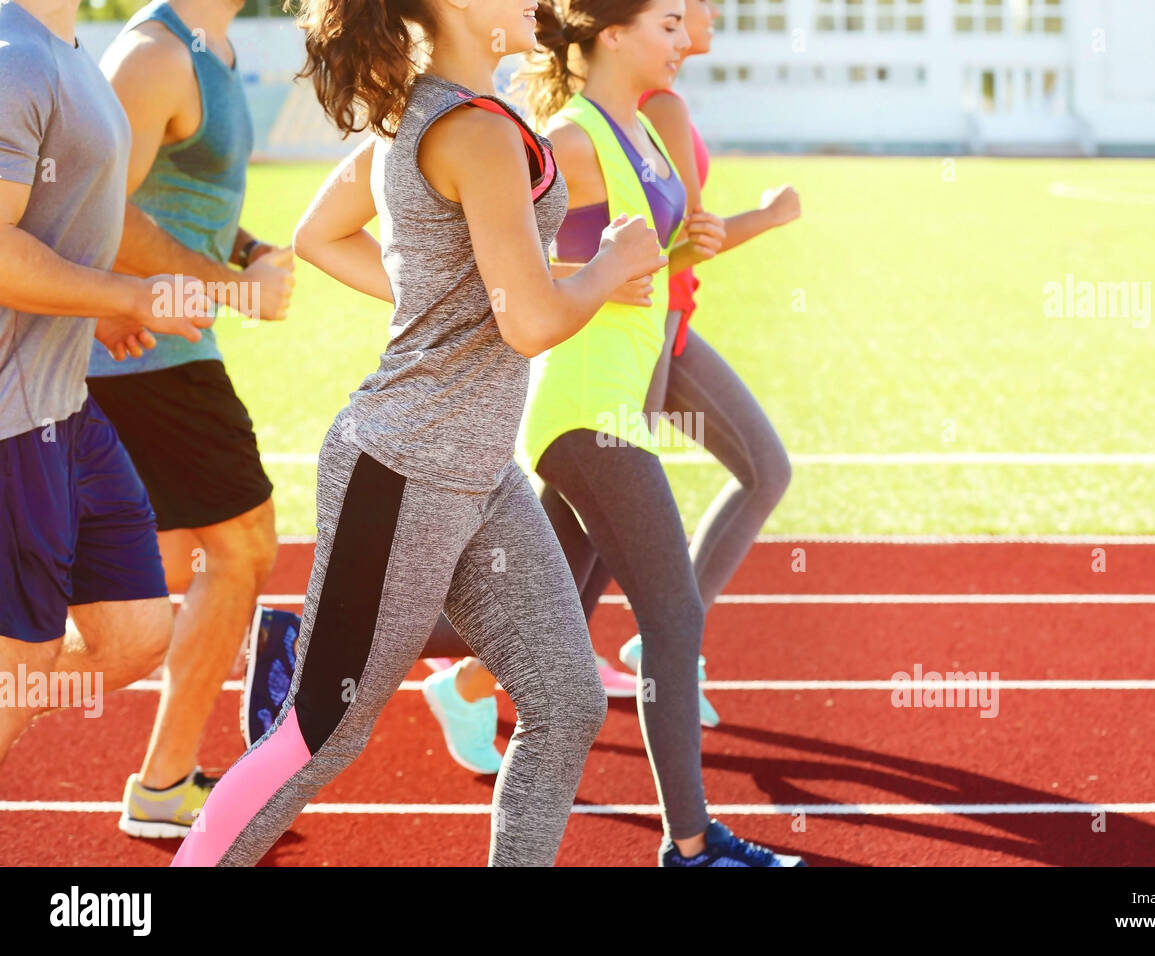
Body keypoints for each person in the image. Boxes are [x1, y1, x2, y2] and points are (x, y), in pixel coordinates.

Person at [170, 0, 664, 867]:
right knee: (324, 733)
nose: (535, 2)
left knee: (565, 699)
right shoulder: (471, 130)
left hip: (481, 472)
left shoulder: (446, 112)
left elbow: (321, 237)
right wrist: (609, 266)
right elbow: (531, 324)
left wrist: (445, 301)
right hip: (401, 465)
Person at [511, 0, 805, 866]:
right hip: (581, 408)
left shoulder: (634, 131)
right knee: (673, 616)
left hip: (617, 404)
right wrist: (587, 273)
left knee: (538, 616)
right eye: (667, 25)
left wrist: (697, 239)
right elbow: (487, 264)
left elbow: (650, 254)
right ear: (612, 33)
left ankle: (305, 637)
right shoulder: (568, 139)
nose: (684, 41)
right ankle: (691, 845)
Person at [85, 0, 297, 838]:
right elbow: (100, 209)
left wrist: (244, 250)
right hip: (142, 353)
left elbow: (187, 198)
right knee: (241, 547)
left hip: (172, 343)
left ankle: (154, 772)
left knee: (169, 568)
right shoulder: (153, 55)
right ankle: (164, 783)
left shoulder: (215, 47)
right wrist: (236, 289)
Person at [579, 0, 802, 727]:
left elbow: (668, 240)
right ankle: (471, 678)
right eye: (677, 14)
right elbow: (687, 242)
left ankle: (663, 642)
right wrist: (770, 218)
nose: (700, 18)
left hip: (666, 327)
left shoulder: (649, 103)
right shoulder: (660, 107)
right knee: (595, 532)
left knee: (598, 531)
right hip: (649, 330)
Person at [0, 0, 210, 767]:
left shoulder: (70, 51)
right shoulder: (14, 56)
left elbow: (56, 224)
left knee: (133, 637)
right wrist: (128, 295)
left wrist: (91, 316)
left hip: (67, 407)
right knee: (22, 665)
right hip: (11, 420)